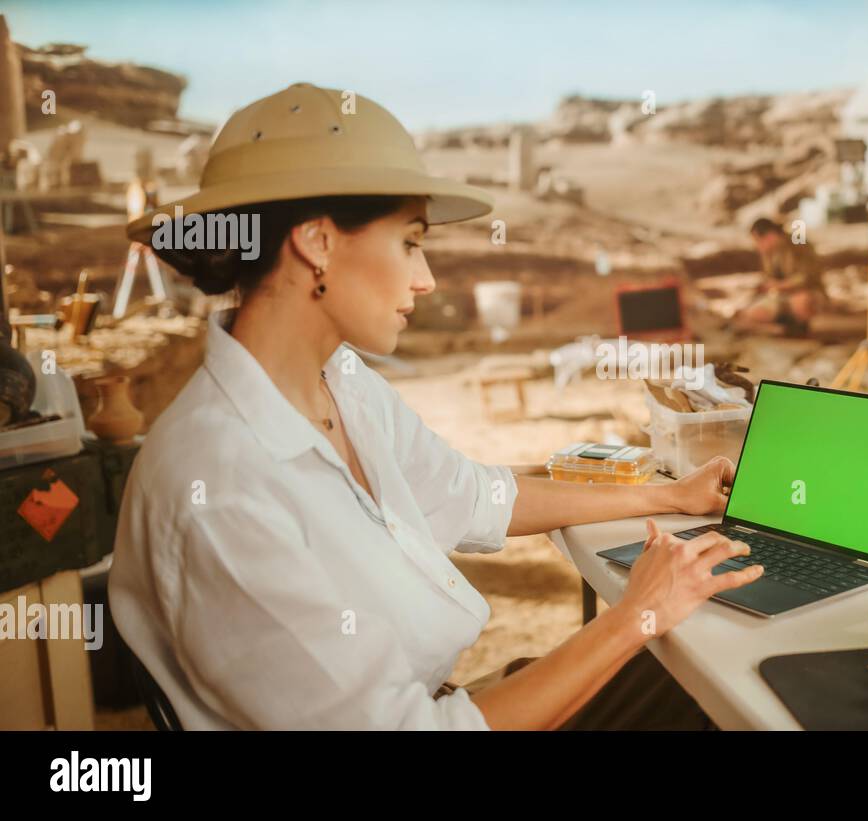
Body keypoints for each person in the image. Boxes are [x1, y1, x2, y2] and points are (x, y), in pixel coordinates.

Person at [107, 83, 763, 730]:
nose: (427, 279)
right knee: (699, 681)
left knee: (693, 673)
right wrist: (636, 615)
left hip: (439, 703)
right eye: (411, 242)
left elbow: (476, 496)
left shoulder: (342, 383)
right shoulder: (222, 483)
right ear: (316, 241)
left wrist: (666, 498)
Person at [735, 217, 825, 334]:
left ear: (770, 235)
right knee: (752, 313)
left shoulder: (798, 244)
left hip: (807, 294)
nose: (757, 246)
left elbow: (807, 277)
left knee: (801, 303)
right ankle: (782, 329)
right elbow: (768, 279)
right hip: (779, 297)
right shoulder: (768, 255)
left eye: (758, 240)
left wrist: (780, 285)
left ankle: (797, 329)